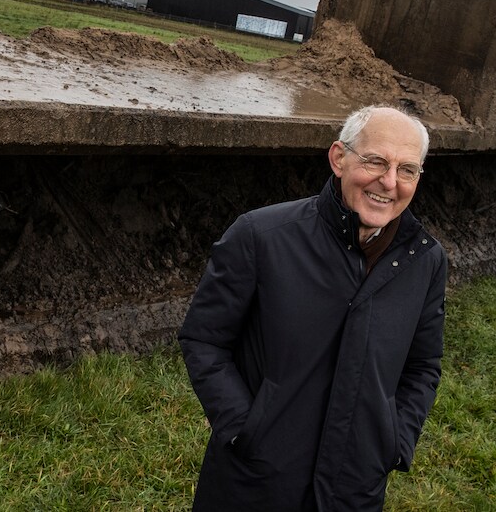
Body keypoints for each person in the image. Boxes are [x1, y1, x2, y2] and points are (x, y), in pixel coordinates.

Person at [178, 105, 447, 511]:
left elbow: (423, 365)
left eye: (407, 169)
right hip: (255, 481)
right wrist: (244, 429)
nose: (390, 182)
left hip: (354, 487)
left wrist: (394, 441)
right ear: (339, 158)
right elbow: (204, 340)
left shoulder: (425, 260)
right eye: (375, 161)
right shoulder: (260, 236)